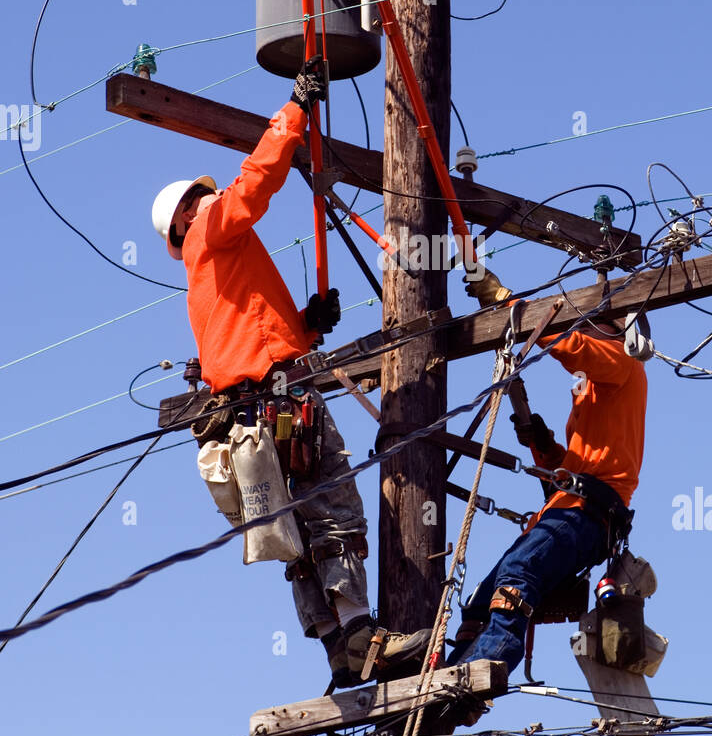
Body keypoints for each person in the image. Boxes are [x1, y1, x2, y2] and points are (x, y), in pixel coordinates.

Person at [151, 63, 428, 689]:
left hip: (254, 415)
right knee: (332, 506)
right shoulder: (210, 233)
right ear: (188, 214)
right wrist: (295, 110)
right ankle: (364, 635)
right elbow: (253, 184)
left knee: (294, 530)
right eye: (203, 197)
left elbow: (251, 341)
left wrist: (305, 325)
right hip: (279, 407)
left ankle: (338, 646)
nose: (212, 198)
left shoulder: (209, 272)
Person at [448, 315, 649, 679]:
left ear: (619, 330)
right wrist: (544, 445)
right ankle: (451, 681)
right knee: (479, 604)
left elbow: (575, 349)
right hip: (568, 508)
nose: (585, 329)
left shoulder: (623, 362)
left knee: (519, 571)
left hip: (589, 513)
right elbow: (572, 467)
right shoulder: (593, 391)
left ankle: (486, 668)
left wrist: (517, 309)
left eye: (593, 323)